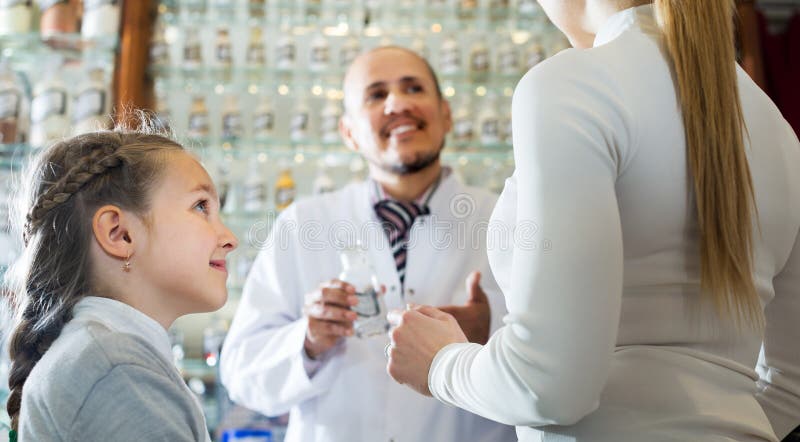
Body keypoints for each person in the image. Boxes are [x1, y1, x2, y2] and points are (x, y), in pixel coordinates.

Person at [386, 1, 800, 441]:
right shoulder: (776, 128)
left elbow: (547, 384)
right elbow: (790, 389)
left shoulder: (573, 84)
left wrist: (440, 363)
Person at [219, 46, 516, 442]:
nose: (397, 103)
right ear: (349, 133)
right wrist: (308, 341)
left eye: (413, 88)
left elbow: (564, 363)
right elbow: (241, 374)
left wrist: (494, 330)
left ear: (446, 115)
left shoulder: (505, 221)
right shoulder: (303, 225)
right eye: (376, 95)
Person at [3, 128, 238, 441]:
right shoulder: (115, 369)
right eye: (200, 206)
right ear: (119, 234)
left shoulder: (103, 357)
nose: (229, 239)